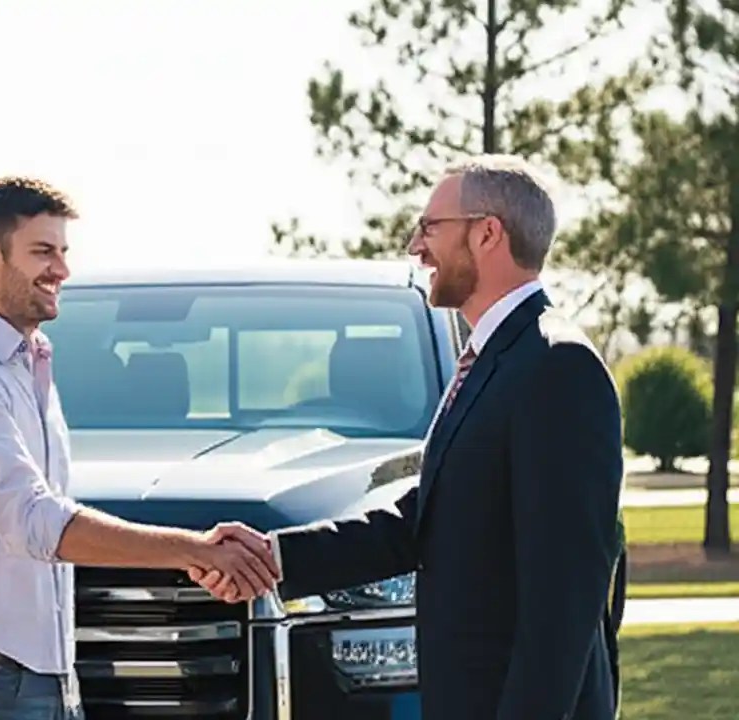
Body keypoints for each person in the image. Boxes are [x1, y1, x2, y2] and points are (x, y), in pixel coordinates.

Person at [196, 155, 626, 720]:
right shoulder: (495, 361)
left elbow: (565, 597)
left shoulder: (557, 366)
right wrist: (271, 557)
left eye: (429, 228)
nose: (415, 246)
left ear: (487, 233)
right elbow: (423, 524)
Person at [0, 176, 278, 720]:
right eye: (42, 252)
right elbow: (32, 520)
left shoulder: (30, 363)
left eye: (62, 251)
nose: (60, 269)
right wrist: (195, 550)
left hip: (48, 676)